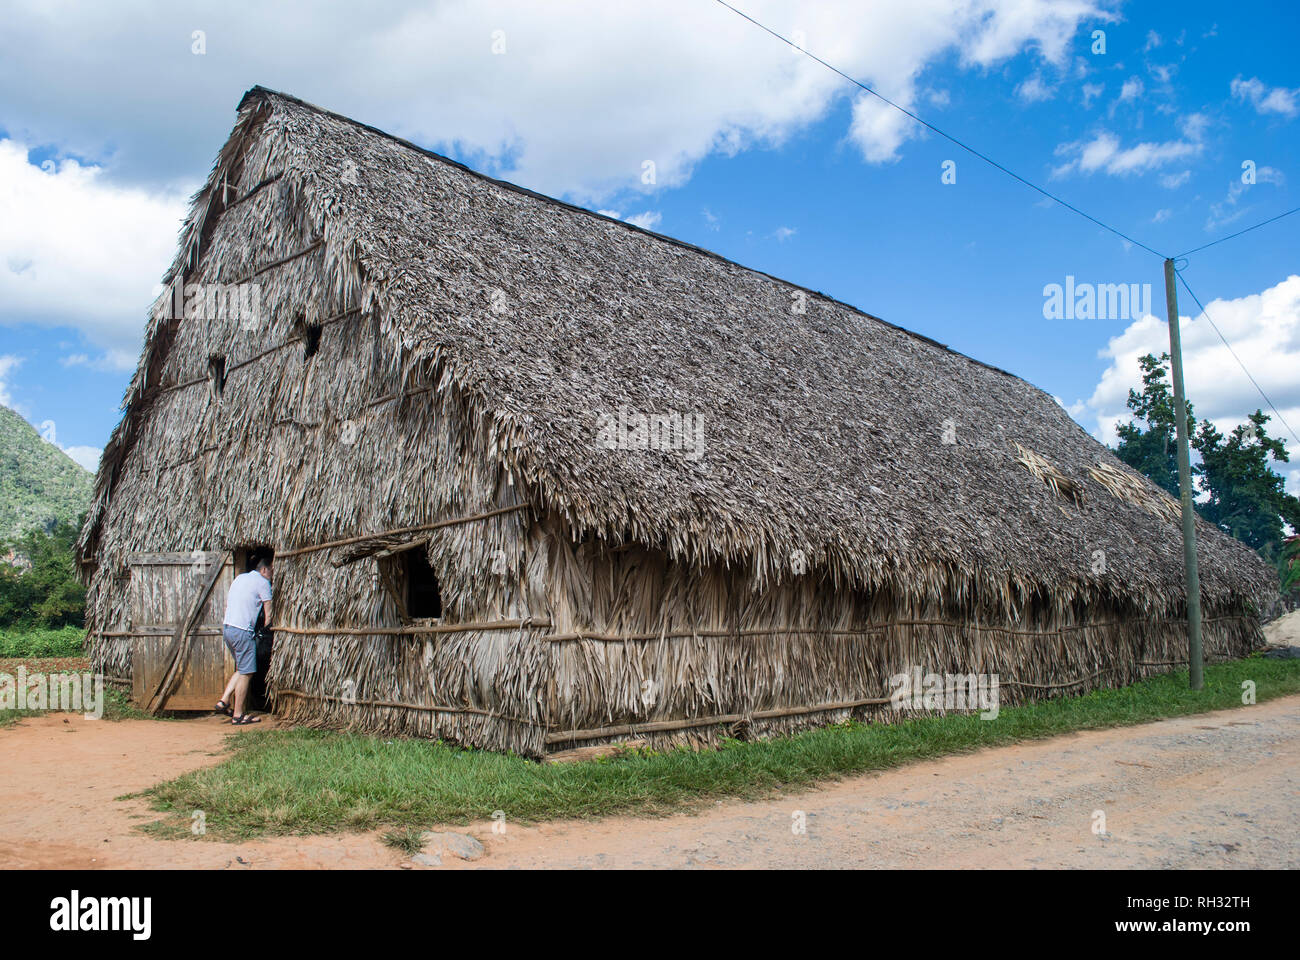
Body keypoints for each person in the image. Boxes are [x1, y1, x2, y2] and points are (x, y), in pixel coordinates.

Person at [217, 555, 273, 724]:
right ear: (263, 570)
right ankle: (238, 715)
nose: (272, 574)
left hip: (228, 629)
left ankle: (224, 700)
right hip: (242, 631)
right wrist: (266, 632)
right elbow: (268, 613)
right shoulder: (263, 583)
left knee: (242, 668)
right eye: (271, 570)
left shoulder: (240, 578)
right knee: (247, 673)